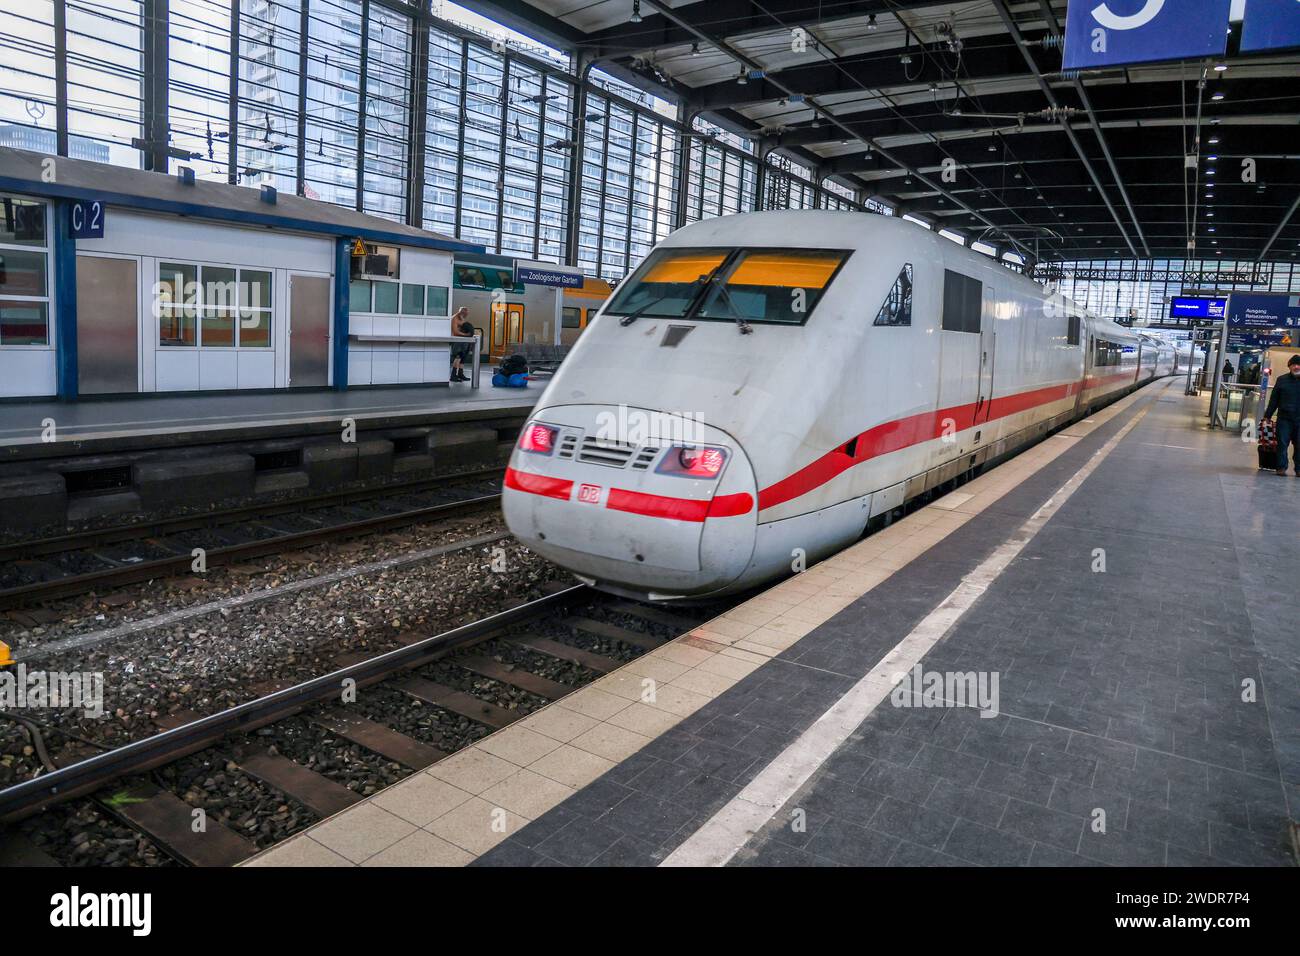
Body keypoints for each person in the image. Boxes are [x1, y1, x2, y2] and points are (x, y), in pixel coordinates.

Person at [1261, 354, 1300, 476]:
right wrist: (1267, 416)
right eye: (1294, 365)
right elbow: (1274, 400)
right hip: (1284, 419)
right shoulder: (1282, 380)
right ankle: (1281, 467)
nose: (1297, 367)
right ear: (1289, 366)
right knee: (1282, 444)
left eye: (1299, 365)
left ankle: (1299, 469)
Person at [448, 306, 476, 382]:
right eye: (465, 314)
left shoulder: (461, 318)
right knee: (457, 357)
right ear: (461, 312)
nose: (466, 316)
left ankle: (460, 374)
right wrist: (467, 335)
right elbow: (455, 332)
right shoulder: (454, 318)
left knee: (463, 357)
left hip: (462, 341)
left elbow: (464, 328)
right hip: (456, 340)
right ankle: (453, 375)